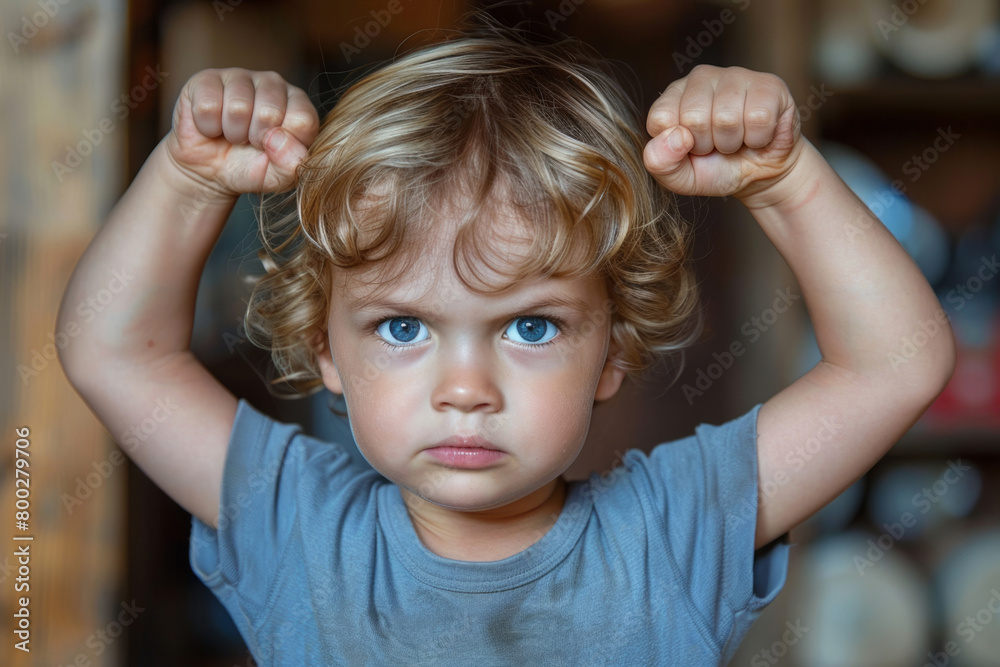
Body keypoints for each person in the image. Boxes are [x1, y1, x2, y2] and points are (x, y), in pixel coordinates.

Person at [56, 20, 955, 666]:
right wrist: (185, 177)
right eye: (402, 327)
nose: (466, 387)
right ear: (326, 348)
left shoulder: (674, 531)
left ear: (612, 350)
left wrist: (786, 179)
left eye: (531, 326)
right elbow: (112, 349)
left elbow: (898, 359)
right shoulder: (295, 521)